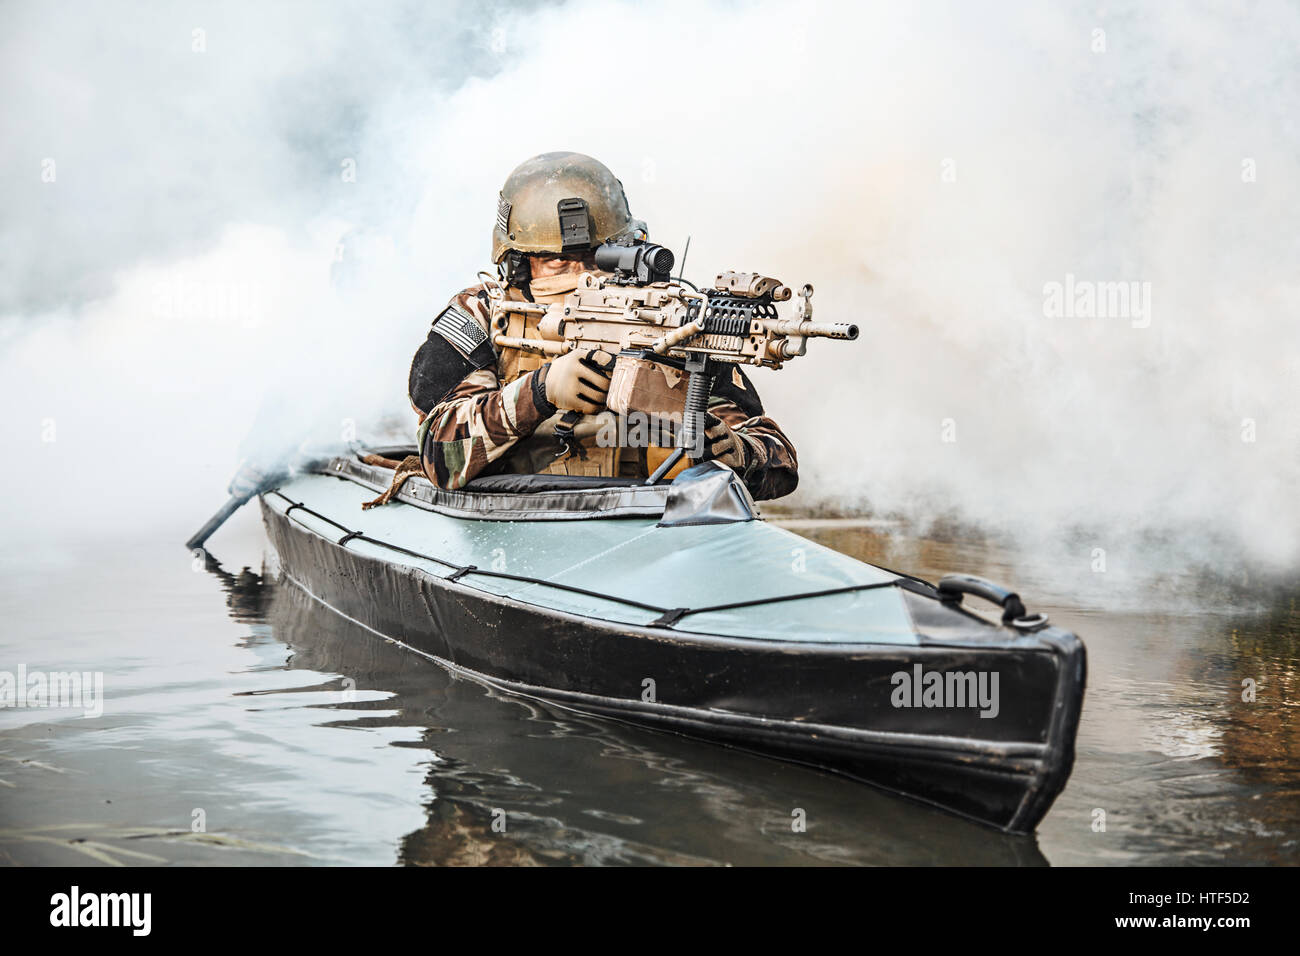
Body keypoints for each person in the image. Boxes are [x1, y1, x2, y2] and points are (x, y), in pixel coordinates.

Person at [407, 151, 798, 500]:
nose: (582, 275)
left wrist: (739, 453)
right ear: (519, 263)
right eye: (559, 261)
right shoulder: (486, 314)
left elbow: (780, 463)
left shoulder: (660, 317)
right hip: (517, 529)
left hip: (641, 534)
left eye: (596, 257)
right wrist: (538, 393)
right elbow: (438, 457)